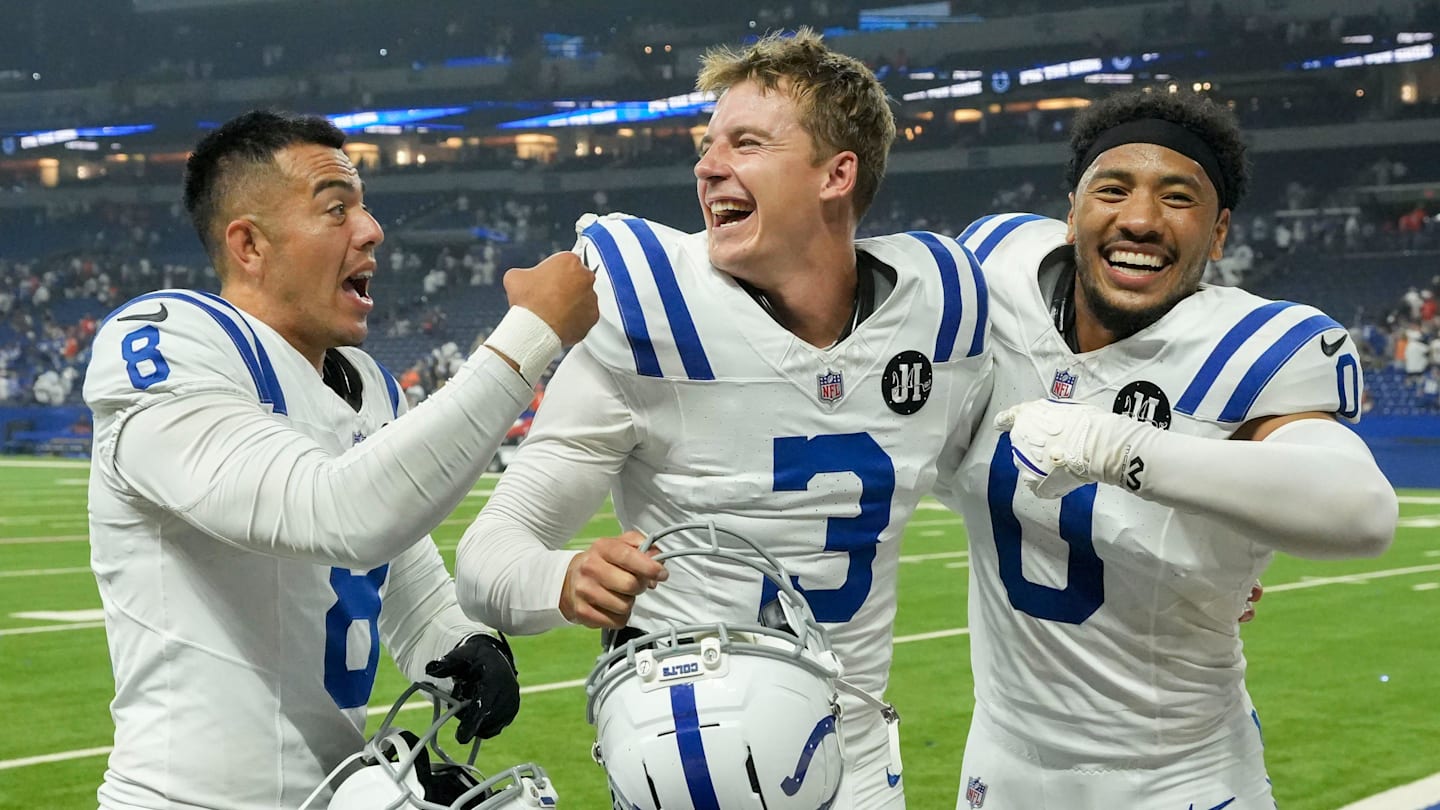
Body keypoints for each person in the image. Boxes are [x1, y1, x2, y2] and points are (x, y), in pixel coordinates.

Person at [454, 28, 991, 808]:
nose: (708, 167)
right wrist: (563, 578)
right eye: (708, 145)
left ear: (837, 173)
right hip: (686, 758)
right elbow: (486, 559)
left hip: (858, 759)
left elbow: (1006, 470)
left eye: (746, 142)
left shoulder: (942, 306)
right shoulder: (651, 312)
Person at [83, 110, 598, 810]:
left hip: (332, 791)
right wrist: (529, 336)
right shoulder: (168, 345)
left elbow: (396, 568)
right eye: (336, 208)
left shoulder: (368, 383)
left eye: (364, 205)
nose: (371, 229)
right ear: (249, 245)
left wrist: (457, 642)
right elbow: (339, 513)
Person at [948, 90, 1397, 809]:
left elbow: (1363, 511)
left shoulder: (1246, 349)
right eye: (1114, 189)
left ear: (1218, 234)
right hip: (1000, 761)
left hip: (1177, 776)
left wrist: (1114, 445)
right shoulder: (996, 277)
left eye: (1178, 197)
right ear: (1071, 212)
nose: (1140, 220)